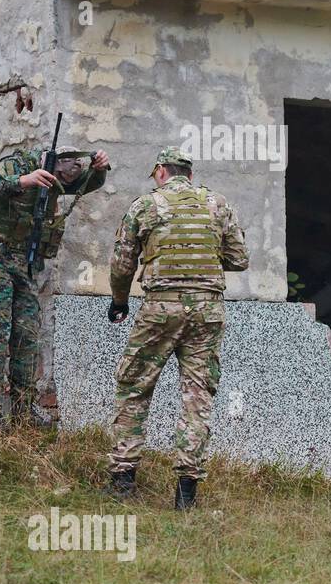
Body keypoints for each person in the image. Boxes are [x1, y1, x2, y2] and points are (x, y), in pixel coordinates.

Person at [105, 148, 249, 509]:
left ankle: (123, 479)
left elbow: (122, 264)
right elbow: (239, 259)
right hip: (208, 311)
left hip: (160, 308)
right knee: (197, 396)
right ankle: (186, 493)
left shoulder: (144, 205)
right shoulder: (218, 204)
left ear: (160, 172)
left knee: (134, 385)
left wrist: (120, 301)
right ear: (189, 172)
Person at [0, 133, 110, 429]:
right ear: (52, 162)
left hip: (26, 265)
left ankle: (23, 412)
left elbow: (87, 185)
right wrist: (24, 181)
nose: (60, 182)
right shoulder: (15, 165)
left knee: (27, 337)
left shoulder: (59, 179)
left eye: (63, 179)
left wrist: (100, 168)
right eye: (58, 175)